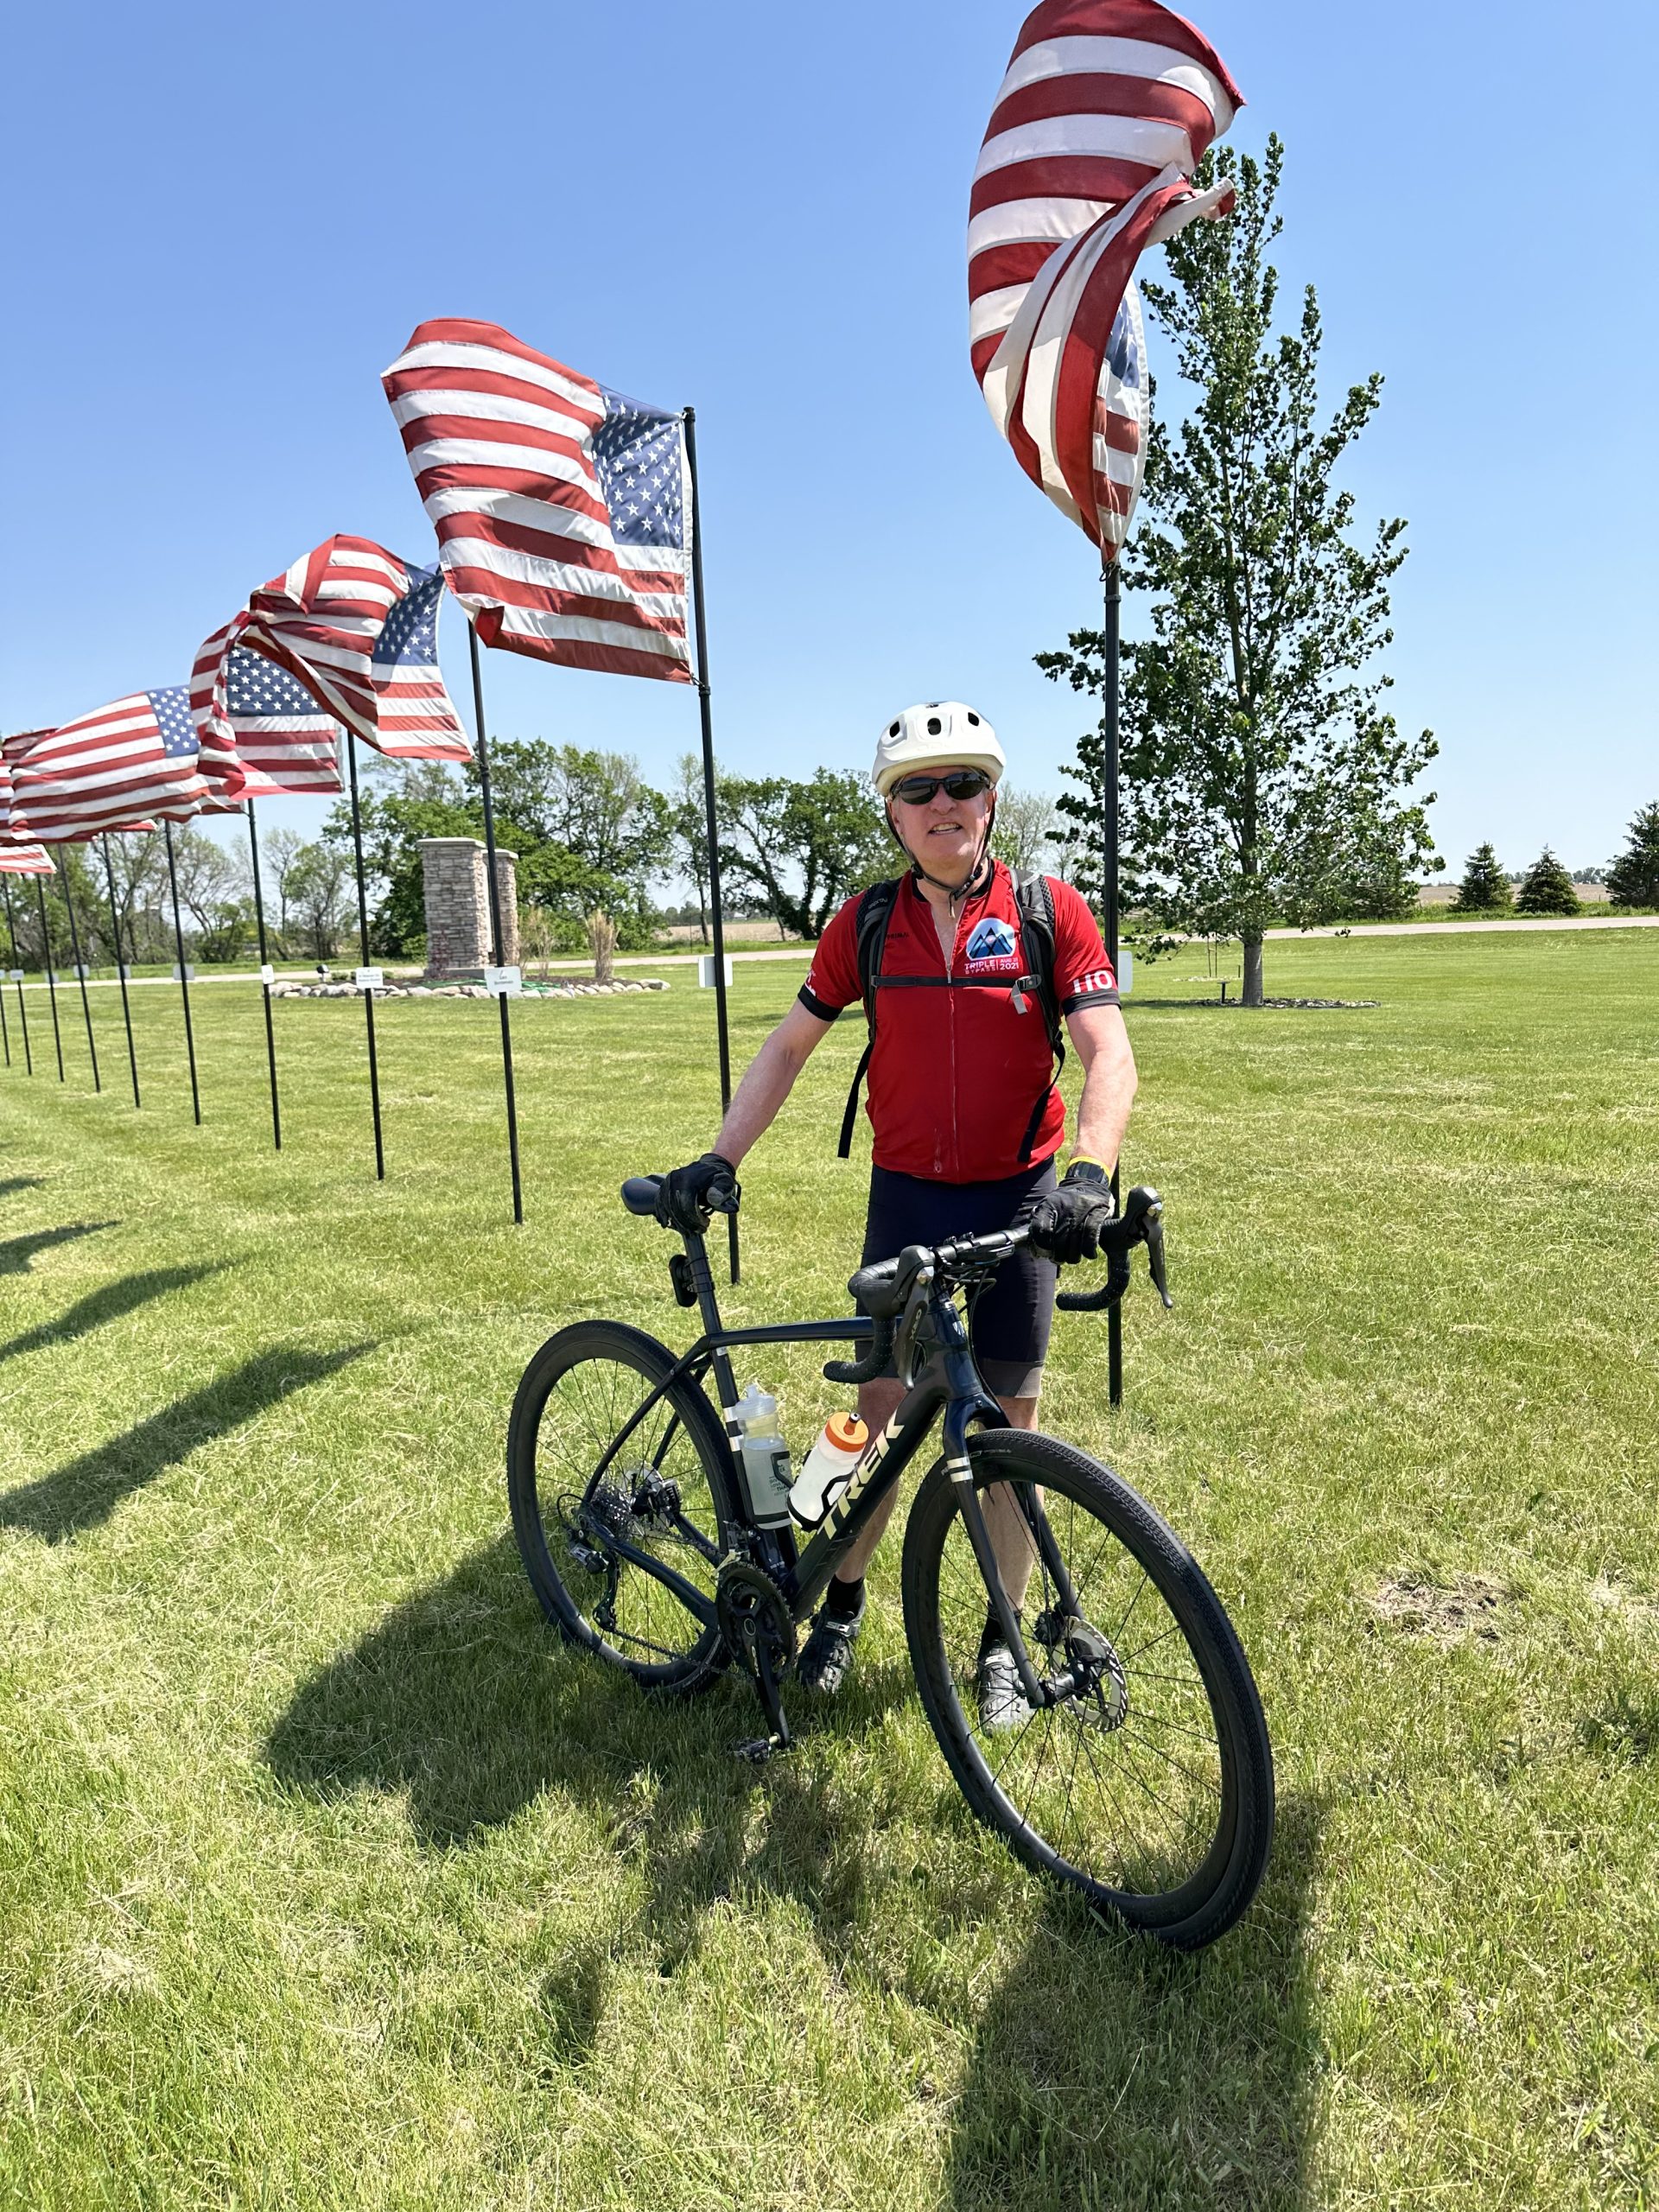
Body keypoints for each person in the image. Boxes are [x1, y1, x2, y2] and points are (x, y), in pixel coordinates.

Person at [658, 701, 1137, 1726]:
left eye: (962, 782)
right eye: (918, 789)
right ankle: (835, 1600)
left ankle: (1004, 1639)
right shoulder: (865, 923)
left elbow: (1108, 1049)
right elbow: (790, 1045)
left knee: (1012, 1423)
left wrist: (1089, 1174)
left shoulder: (1052, 912)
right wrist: (719, 1156)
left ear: (991, 801)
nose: (943, 803)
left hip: (1022, 1198)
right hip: (907, 1195)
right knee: (874, 1414)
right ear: (892, 815)